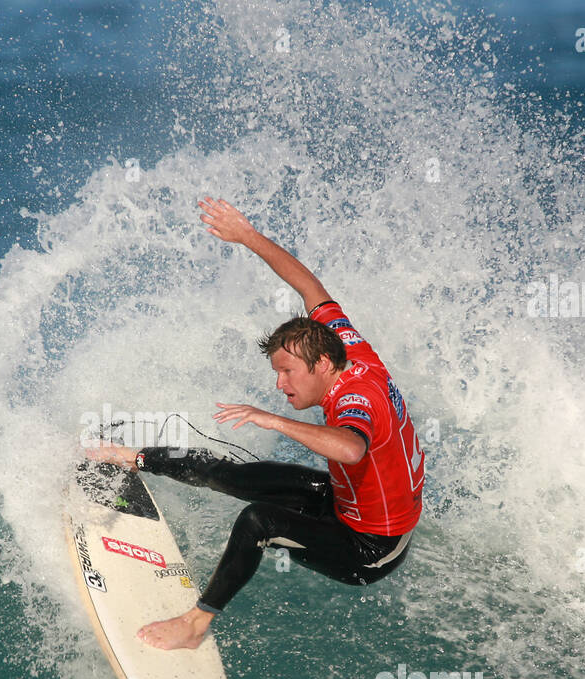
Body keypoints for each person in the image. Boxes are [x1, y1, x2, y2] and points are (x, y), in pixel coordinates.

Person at [87, 197, 424, 650]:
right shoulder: (347, 349)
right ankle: (136, 458)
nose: (281, 384)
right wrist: (246, 236)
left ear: (323, 364)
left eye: (288, 373)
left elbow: (351, 449)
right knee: (239, 474)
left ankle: (196, 624)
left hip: (371, 548)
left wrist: (273, 421)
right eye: (276, 373)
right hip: (346, 503)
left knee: (258, 520)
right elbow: (310, 287)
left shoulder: (356, 399)